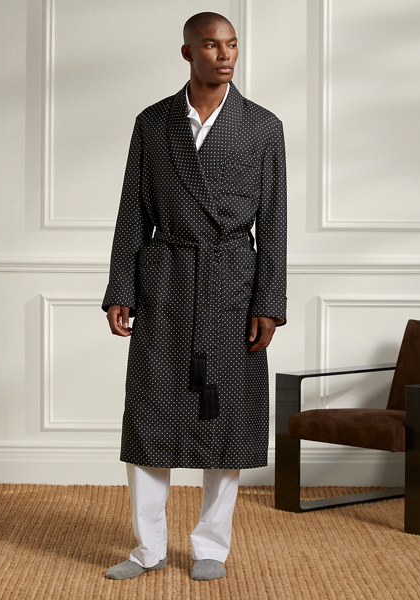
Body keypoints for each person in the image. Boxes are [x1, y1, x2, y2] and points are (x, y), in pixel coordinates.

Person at [101, 12, 287, 581]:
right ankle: (147, 548)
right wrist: (121, 287)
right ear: (187, 52)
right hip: (166, 282)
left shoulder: (262, 126)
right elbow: (133, 212)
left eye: (232, 45)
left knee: (227, 419)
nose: (225, 55)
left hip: (232, 284)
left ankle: (211, 547)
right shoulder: (153, 122)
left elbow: (274, 223)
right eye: (211, 45)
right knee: (149, 416)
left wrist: (269, 302)